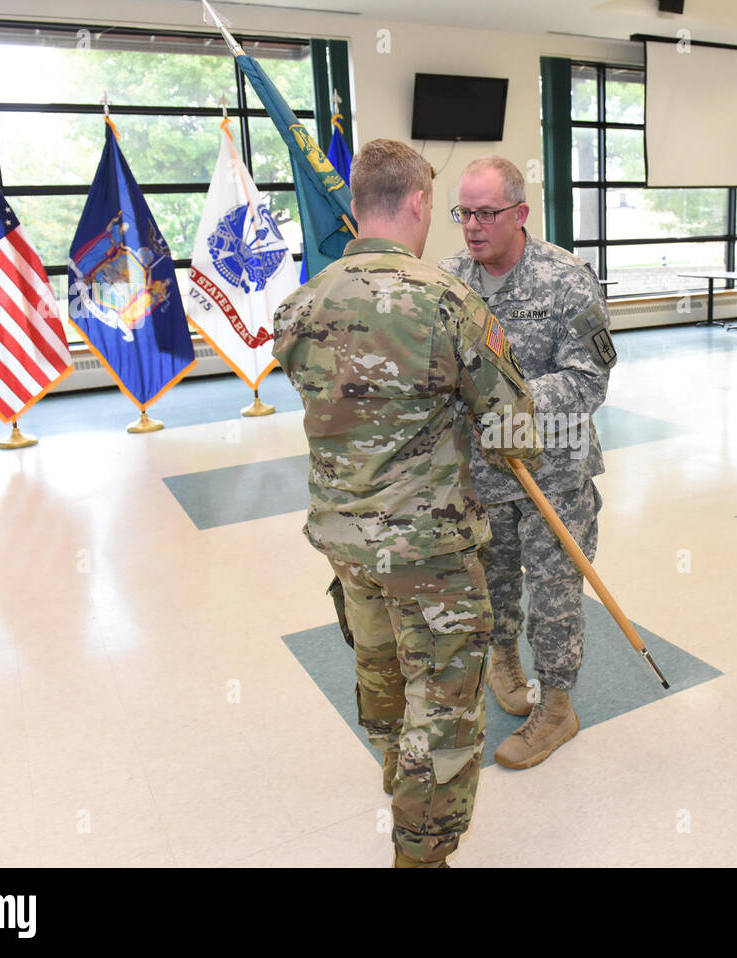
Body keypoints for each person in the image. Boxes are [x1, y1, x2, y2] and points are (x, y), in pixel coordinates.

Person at [271, 139, 541, 867]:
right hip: (430, 550)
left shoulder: (301, 305)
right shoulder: (447, 303)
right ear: (421, 202)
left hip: (346, 541)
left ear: (357, 204)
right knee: (445, 702)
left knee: (382, 673)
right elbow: (514, 428)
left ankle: (397, 776)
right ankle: (420, 853)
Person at [439, 156, 616, 769]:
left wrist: (510, 397)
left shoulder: (566, 278)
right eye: (463, 212)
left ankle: (558, 706)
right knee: (494, 587)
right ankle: (506, 663)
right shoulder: (448, 280)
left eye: (486, 213)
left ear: (520, 213)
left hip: (554, 475)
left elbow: (590, 380)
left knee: (556, 594)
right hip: (483, 476)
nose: (472, 226)